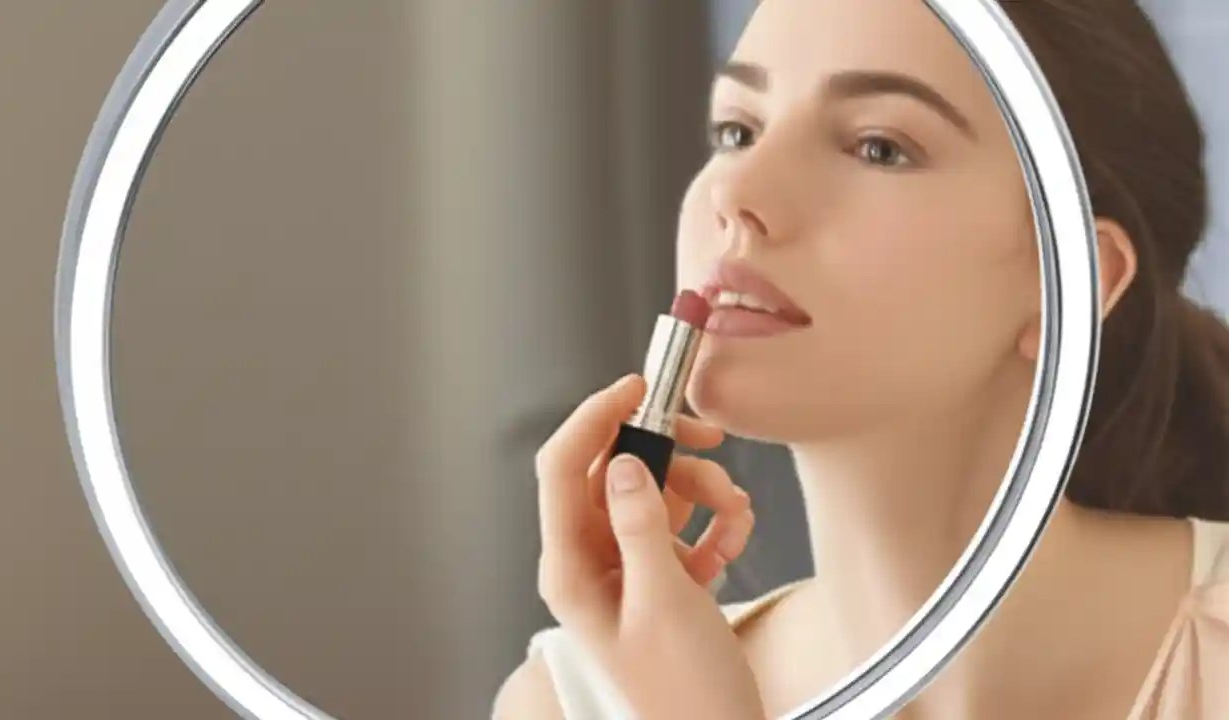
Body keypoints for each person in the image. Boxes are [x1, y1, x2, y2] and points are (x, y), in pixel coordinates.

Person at [493, 0, 1229, 717]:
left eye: (878, 146)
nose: (737, 195)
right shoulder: (572, 702)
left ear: (1070, 279)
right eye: (737, 130)